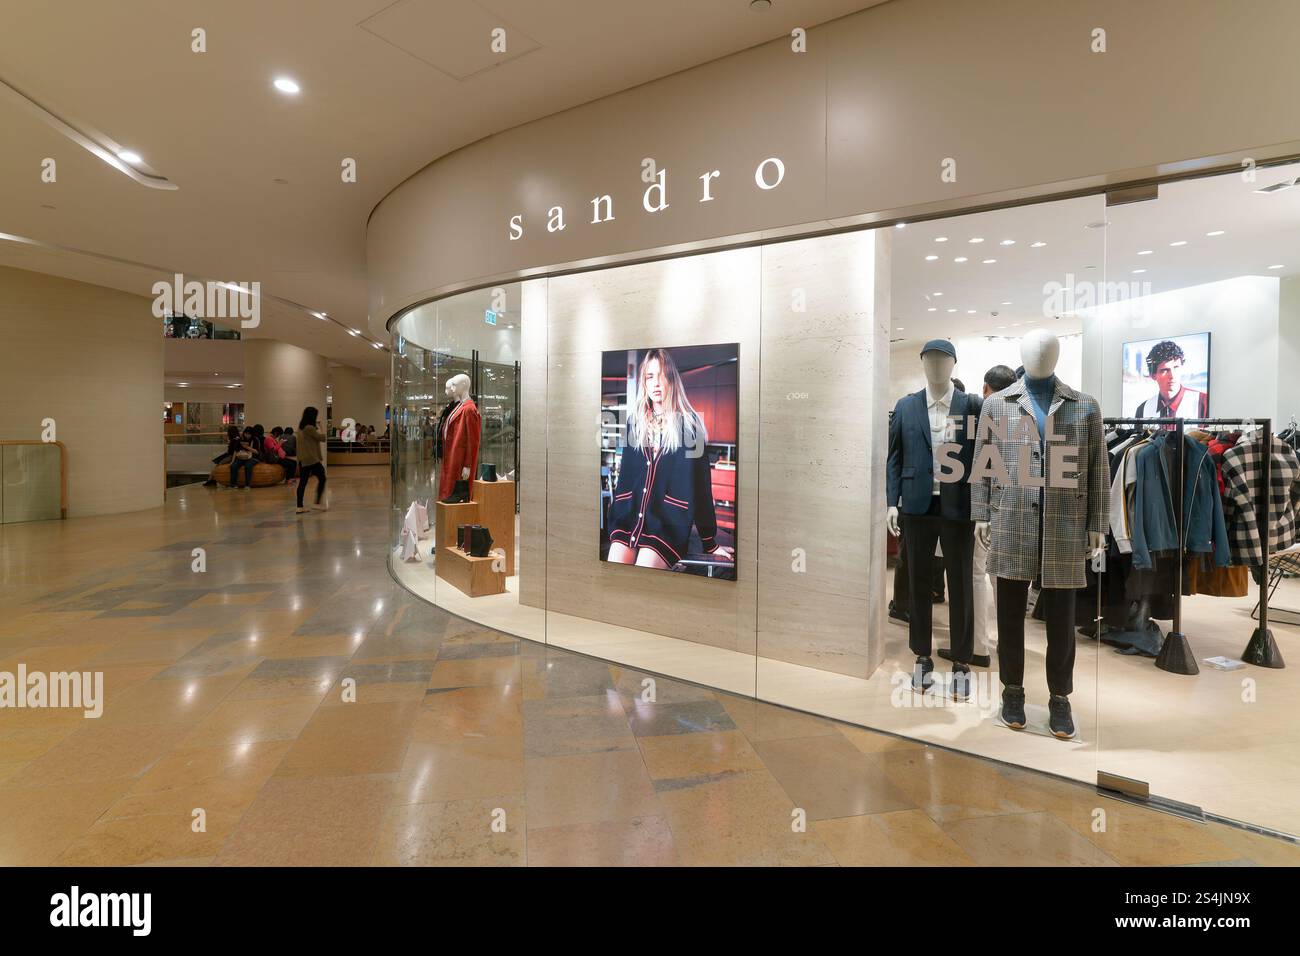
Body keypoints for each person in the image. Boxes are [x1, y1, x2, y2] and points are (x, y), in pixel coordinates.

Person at [606, 348, 734, 570]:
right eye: (649, 376)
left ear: (672, 380)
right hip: (630, 518)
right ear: (644, 382)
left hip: (667, 522)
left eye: (662, 375)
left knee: (644, 572)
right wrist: (618, 512)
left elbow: (701, 486)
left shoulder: (690, 426)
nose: (656, 383)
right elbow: (626, 479)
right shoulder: (634, 423)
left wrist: (709, 541)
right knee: (613, 569)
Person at [938, 364, 1017, 667]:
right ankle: (1005, 646)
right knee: (1001, 579)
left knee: (975, 574)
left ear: (985, 387)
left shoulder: (982, 414)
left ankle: (978, 647)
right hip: (1009, 508)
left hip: (982, 508)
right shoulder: (1019, 415)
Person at [1134, 339, 1208, 419]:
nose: (1172, 375)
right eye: (1165, 370)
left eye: (1176, 367)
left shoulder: (1204, 403)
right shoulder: (1143, 410)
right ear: (1153, 375)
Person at [296, 406, 328, 514]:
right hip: (311, 459)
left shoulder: (300, 428)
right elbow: (323, 438)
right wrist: (321, 426)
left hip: (303, 459)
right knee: (322, 478)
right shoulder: (309, 428)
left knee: (303, 482)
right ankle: (317, 503)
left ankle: (299, 506)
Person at [226, 425, 257, 489]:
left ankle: (248, 485)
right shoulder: (240, 439)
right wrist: (232, 461)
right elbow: (235, 451)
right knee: (233, 466)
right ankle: (233, 484)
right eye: (246, 433)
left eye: (249, 434)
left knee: (248, 466)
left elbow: (257, 452)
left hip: (251, 457)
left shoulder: (255, 440)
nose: (247, 435)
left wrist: (247, 447)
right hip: (240, 457)